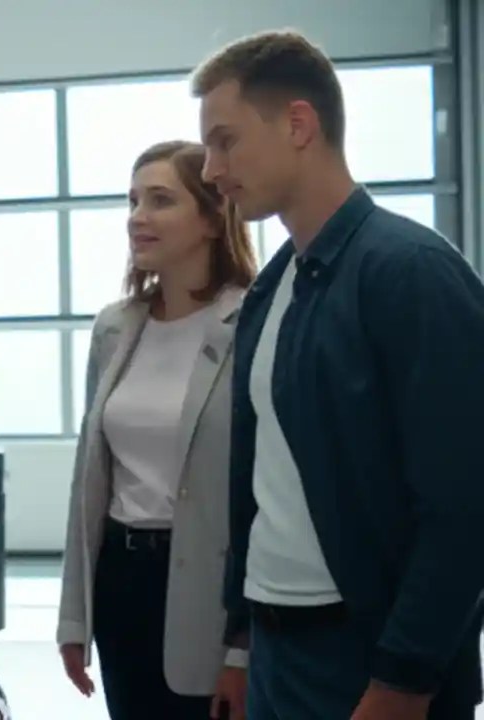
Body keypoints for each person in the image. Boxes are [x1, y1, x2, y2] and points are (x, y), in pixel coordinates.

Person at [192, 29, 484, 720]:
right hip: (275, 650)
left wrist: (404, 679)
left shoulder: (411, 274)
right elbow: (262, 490)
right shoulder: (273, 287)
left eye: (225, 140)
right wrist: (240, 646)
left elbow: (466, 502)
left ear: (299, 124)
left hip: (369, 662)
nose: (210, 168)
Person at [56, 140, 258, 720]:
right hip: (121, 581)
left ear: (213, 217)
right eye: (133, 199)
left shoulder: (254, 323)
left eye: (161, 200)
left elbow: (259, 498)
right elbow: (88, 482)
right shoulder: (116, 327)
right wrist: (76, 616)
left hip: (208, 586)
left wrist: (241, 647)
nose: (137, 217)